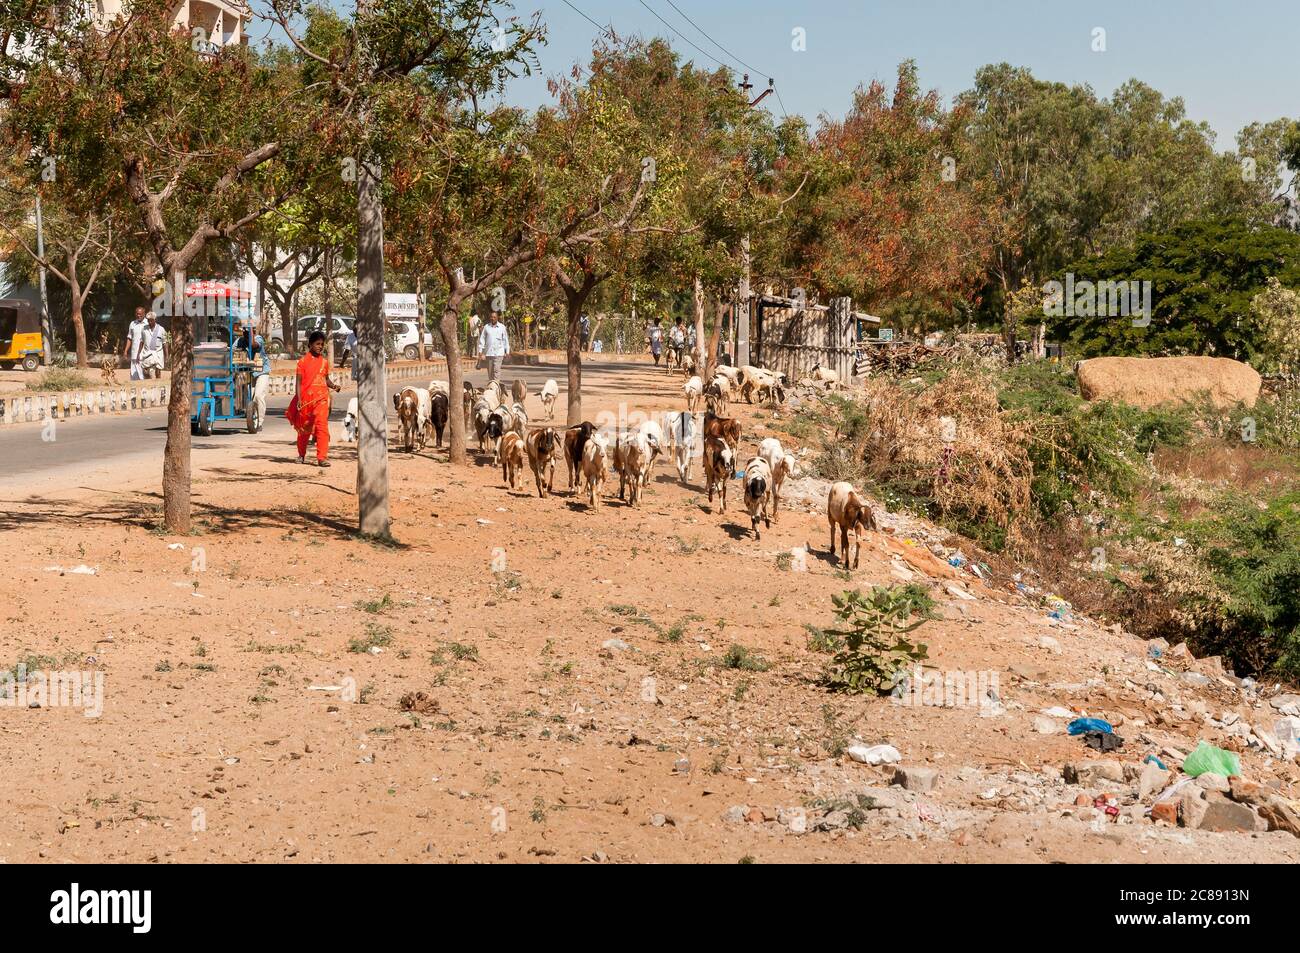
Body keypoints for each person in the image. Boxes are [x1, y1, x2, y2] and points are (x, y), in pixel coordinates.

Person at [289, 330, 340, 467]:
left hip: (321, 399)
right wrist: (299, 399)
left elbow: (326, 379)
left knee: (322, 426)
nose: (320, 347)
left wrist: (334, 386)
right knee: (304, 429)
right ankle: (301, 455)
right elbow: (298, 383)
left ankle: (322, 457)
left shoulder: (324, 362)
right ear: (310, 344)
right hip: (306, 401)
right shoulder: (302, 362)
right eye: (317, 344)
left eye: (322, 344)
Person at [477, 310, 510, 383]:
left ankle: (496, 386)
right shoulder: (486, 327)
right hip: (489, 353)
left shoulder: (502, 327)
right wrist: (480, 351)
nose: (493, 318)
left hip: (499, 353)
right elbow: (482, 339)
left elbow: (505, 340)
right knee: (490, 372)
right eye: (491, 317)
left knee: (496, 371)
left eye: (494, 317)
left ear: (497, 318)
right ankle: (492, 386)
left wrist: (507, 351)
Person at [136, 311, 167, 379]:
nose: (150, 322)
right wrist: (138, 354)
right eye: (148, 320)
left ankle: (158, 383)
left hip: (158, 354)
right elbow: (142, 342)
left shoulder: (161, 329)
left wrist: (166, 356)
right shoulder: (144, 329)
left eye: (151, 320)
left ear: (155, 319)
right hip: (147, 354)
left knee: (158, 372)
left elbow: (164, 343)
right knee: (146, 373)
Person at [124, 307, 147, 381]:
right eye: (137, 314)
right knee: (134, 377)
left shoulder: (148, 323)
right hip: (134, 354)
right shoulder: (132, 324)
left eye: (140, 314)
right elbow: (129, 338)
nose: (138, 315)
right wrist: (126, 350)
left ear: (144, 314)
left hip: (144, 354)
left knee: (143, 376)